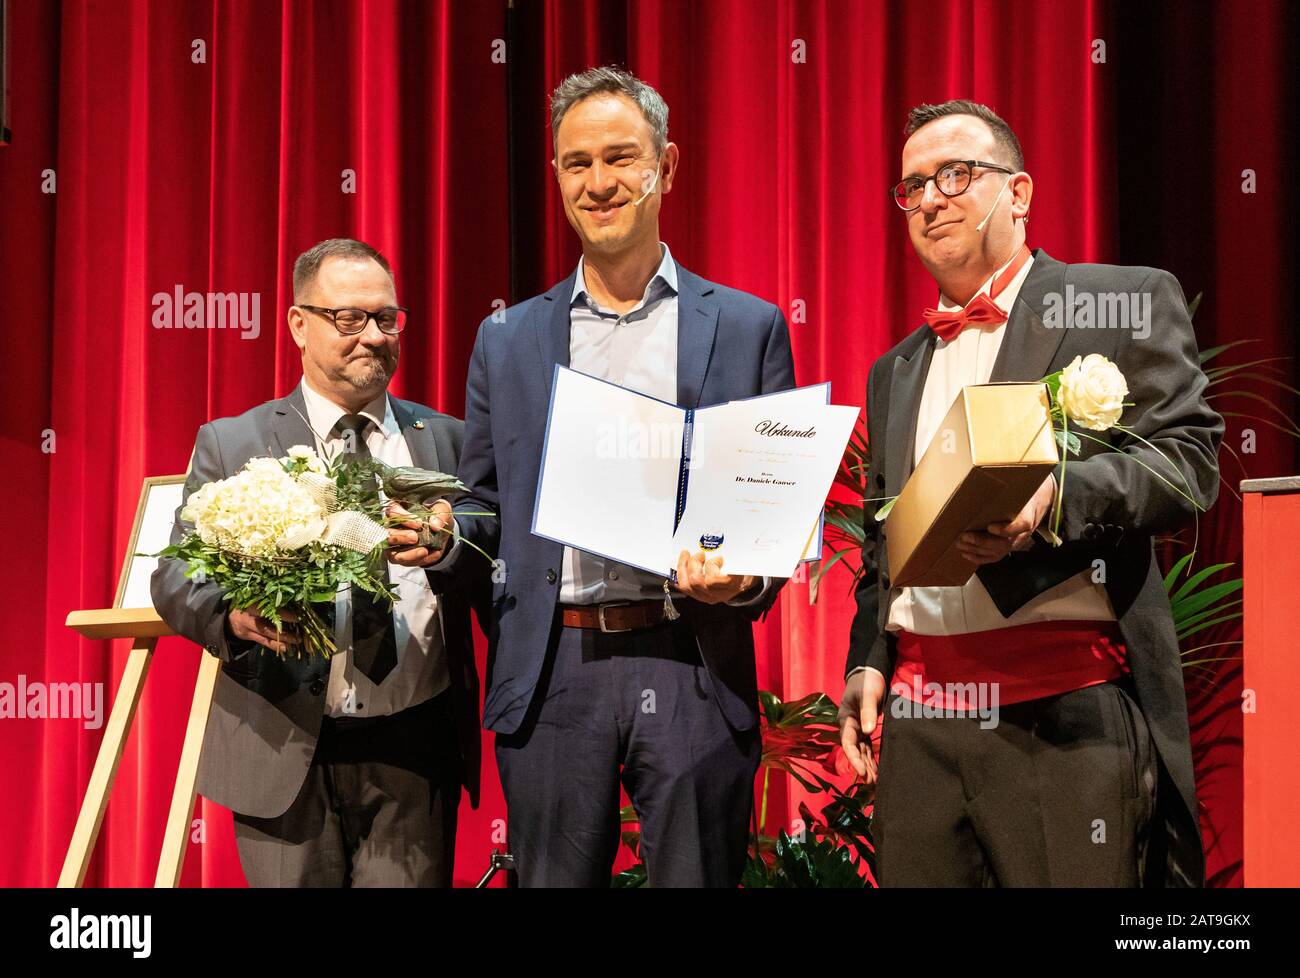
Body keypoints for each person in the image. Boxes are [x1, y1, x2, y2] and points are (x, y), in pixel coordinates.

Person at [840, 100, 1223, 887]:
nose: (932, 198)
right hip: (919, 729)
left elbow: (1189, 462)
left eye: (956, 173)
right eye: (913, 185)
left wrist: (1054, 497)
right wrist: (867, 660)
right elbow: (887, 542)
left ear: (1018, 192)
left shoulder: (1118, 301)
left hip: (1064, 716)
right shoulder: (894, 369)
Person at [433, 67, 796, 887]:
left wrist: (738, 579)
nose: (598, 183)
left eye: (621, 158)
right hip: (555, 667)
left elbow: (770, 506)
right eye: (576, 163)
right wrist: (447, 536)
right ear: (558, 177)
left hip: (691, 660)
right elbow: (483, 506)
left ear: (667, 167)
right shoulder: (508, 339)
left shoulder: (747, 326)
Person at [152, 237, 488, 887]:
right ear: (298, 325)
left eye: (386, 317)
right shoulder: (235, 442)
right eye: (349, 318)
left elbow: (493, 541)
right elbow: (175, 576)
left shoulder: (448, 438)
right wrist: (233, 612)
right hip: (281, 744)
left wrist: (449, 546)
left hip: (414, 751)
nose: (372, 335)